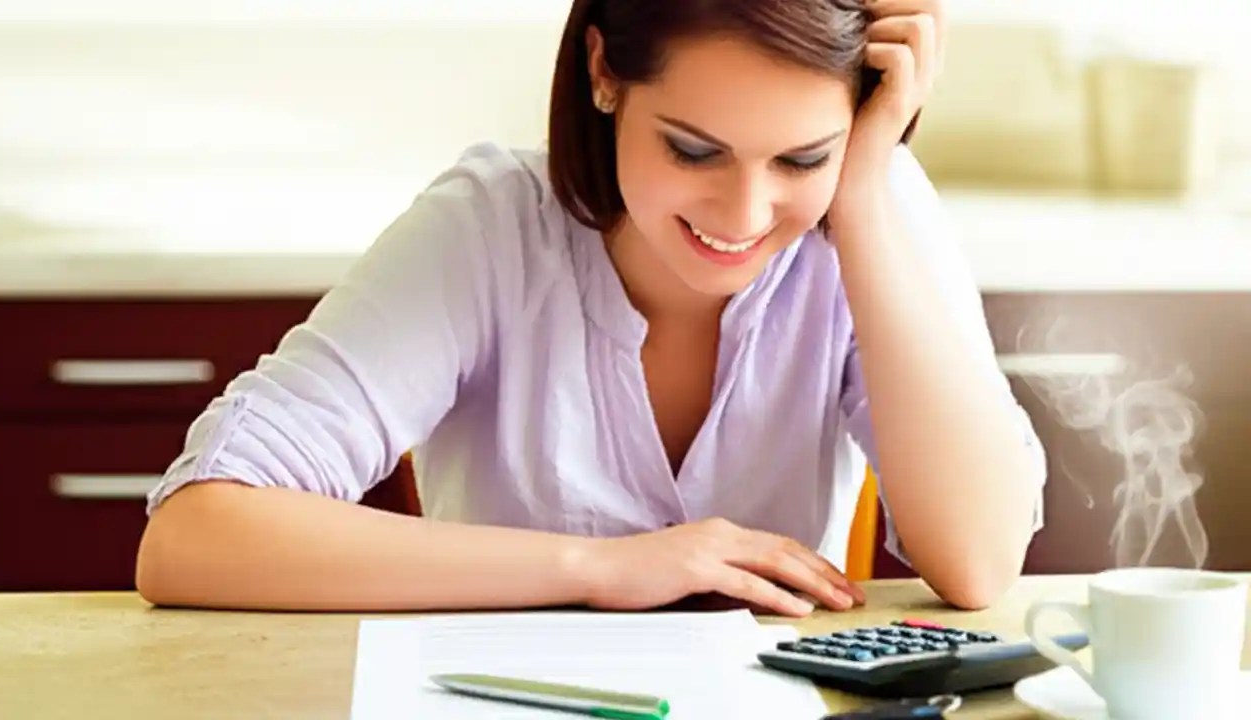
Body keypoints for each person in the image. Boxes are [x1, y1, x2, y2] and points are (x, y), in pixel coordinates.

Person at [135, 0, 1047, 618]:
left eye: (802, 160)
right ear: (604, 70)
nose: (743, 216)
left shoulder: (872, 210)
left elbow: (979, 563)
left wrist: (861, 193)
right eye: (694, 150)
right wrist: (600, 569)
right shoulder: (489, 228)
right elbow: (194, 534)